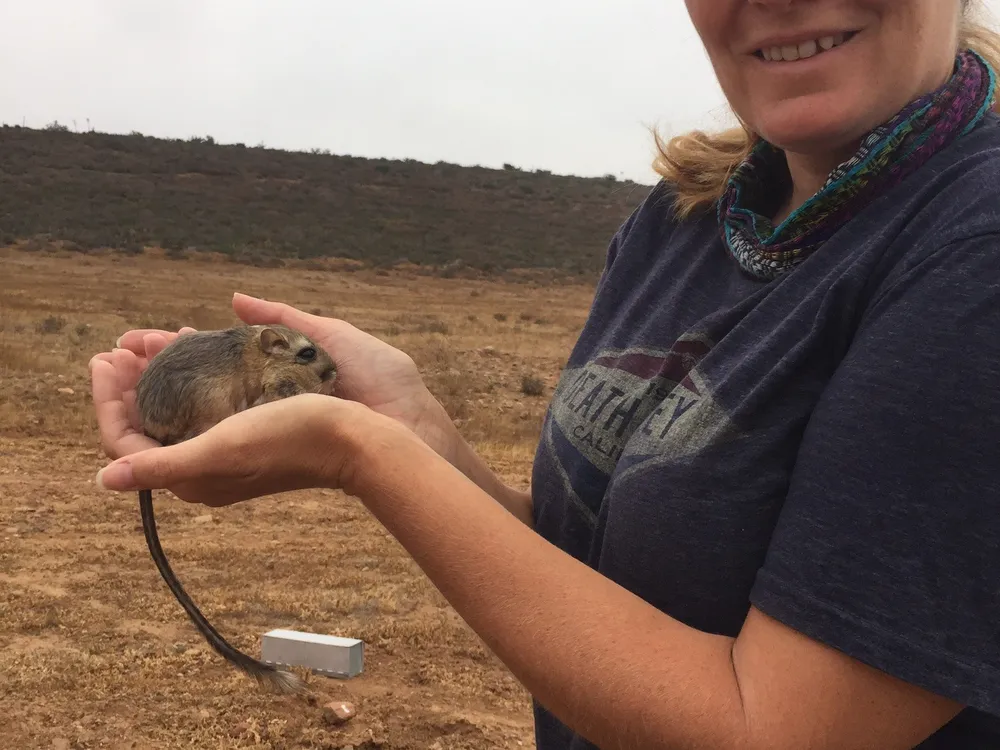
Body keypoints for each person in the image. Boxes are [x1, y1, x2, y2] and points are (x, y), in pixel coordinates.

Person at [90, 1, 1000, 747]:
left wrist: (359, 454)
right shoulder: (689, 215)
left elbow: (769, 731)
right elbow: (596, 579)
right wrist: (415, 429)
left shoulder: (971, 252)